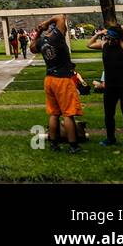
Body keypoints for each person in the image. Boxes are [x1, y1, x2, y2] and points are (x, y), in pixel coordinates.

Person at [31, 15, 83, 153]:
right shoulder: (57, 37)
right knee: (68, 114)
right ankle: (73, 146)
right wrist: (47, 22)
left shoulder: (42, 42)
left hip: (49, 79)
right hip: (63, 79)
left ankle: (53, 144)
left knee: (54, 113)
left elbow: (32, 48)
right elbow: (61, 17)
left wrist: (39, 31)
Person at [89, 23, 123, 148]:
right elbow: (89, 45)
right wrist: (98, 34)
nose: (109, 40)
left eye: (111, 38)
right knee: (109, 114)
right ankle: (110, 138)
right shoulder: (104, 45)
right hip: (110, 86)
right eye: (107, 38)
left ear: (117, 38)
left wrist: (111, 30)